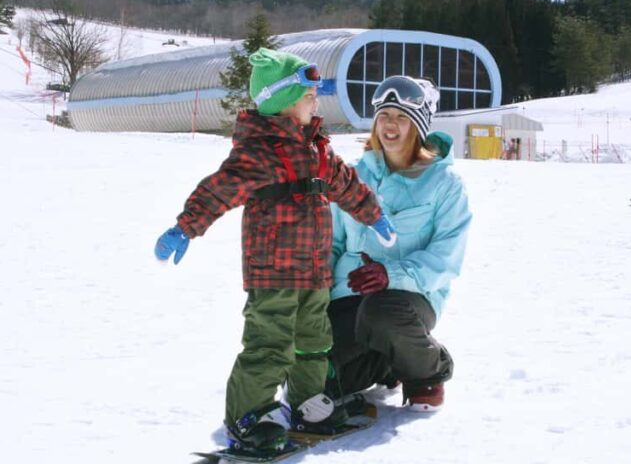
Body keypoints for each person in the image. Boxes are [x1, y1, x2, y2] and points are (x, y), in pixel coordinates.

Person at [153, 48, 396, 454]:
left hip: (314, 269)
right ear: (284, 104)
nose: (315, 102)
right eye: (307, 97)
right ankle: (249, 416)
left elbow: (345, 184)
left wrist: (373, 214)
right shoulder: (260, 151)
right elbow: (219, 190)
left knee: (314, 340)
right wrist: (185, 227)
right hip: (274, 269)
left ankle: (306, 403)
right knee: (270, 343)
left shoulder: (318, 148)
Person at [327, 75, 472, 412]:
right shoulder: (351, 177)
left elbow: (445, 258)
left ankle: (429, 371)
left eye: (402, 118)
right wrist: (312, 294)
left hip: (406, 301)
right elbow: (331, 242)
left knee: (381, 312)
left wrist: (390, 274)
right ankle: (388, 362)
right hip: (347, 295)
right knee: (320, 377)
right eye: (385, 116)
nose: (391, 125)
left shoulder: (444, 183)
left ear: (417, 126)